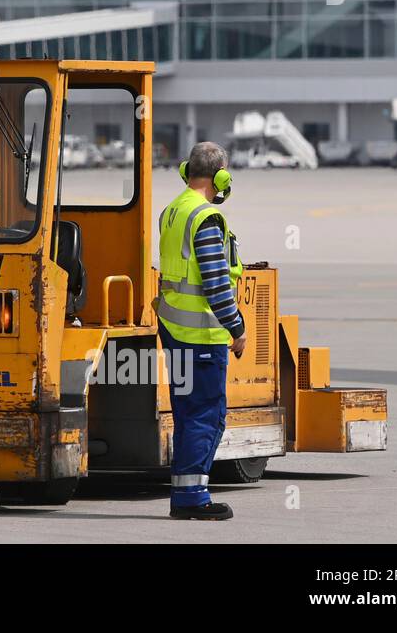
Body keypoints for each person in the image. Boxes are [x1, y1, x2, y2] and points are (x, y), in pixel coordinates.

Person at [156, 141, 247, 521]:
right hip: (201, 338)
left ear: (185, 171)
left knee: (188, 413)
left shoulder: (172, 210)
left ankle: (185, 494)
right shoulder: (206, 217)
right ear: (220, 176)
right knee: (206, 416)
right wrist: (237, 327)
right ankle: (192, 499)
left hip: (174, 330)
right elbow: (214, 283)